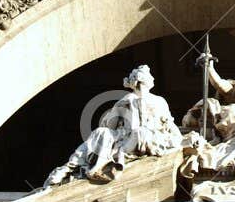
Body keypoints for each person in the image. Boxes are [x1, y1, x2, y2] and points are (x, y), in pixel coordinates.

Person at [45, 64, 181, 185]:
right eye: (149, 76)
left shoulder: (159, 101)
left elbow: (169, 124)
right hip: (126, 139)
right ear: (140, 81)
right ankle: (71, 167)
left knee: (139, 132)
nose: (153, 79)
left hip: (149, 137)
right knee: (100, 132)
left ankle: (107, 162)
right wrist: (119, 111)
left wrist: (178, 137)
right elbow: (110, 126)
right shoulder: (126, 99)